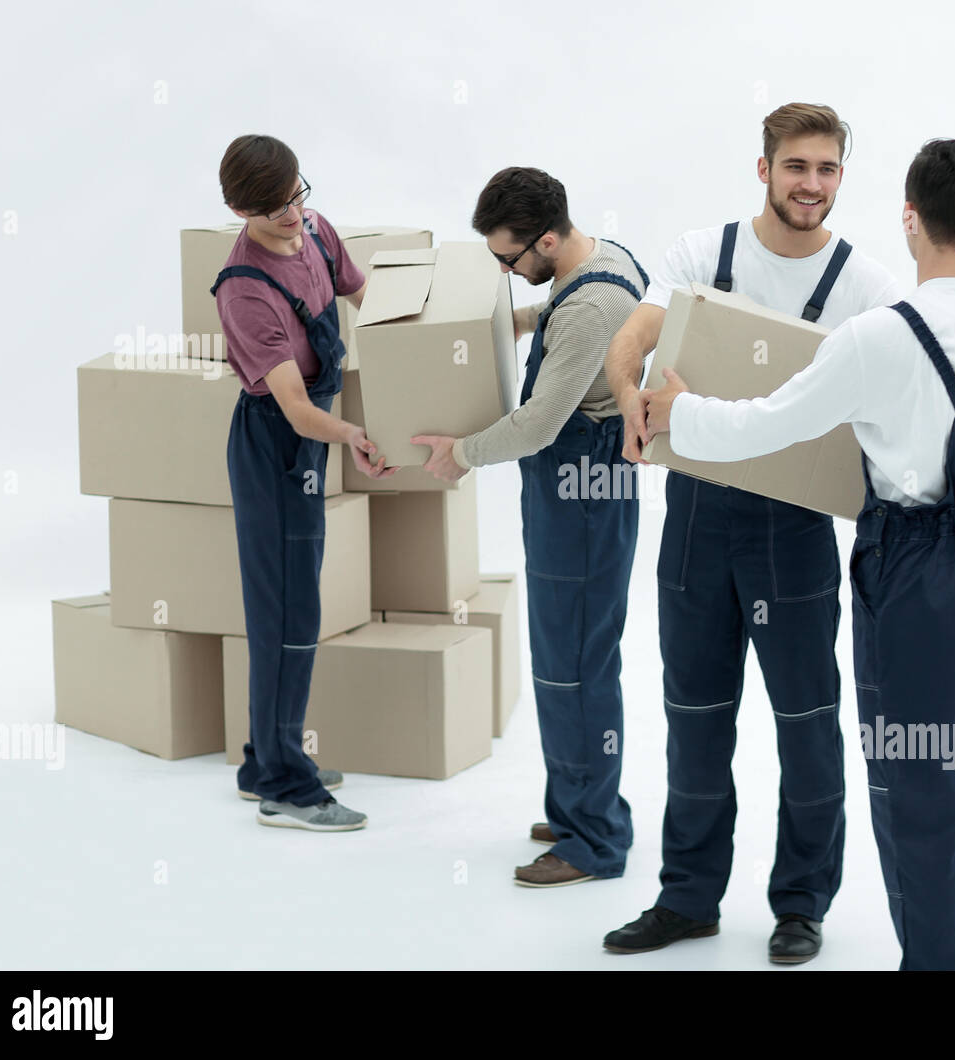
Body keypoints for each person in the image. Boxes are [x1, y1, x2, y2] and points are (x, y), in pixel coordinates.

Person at [643, 138, 955, 970]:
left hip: (915, 578)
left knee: (917, 794)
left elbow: (768, 424)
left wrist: (681, 414)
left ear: (909, 219)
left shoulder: (880, 336)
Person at [602, 103, 905, 963]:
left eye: (828, 169)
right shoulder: (708, 254)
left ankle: (801, 904)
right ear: (764, 168)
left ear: (842, 176)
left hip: (796, 525)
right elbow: (639, 329)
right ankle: (688, 899)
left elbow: (906, 384)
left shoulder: (867, 285)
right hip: (696, 516)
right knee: (695, 716)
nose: (812, 184)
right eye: (796, 166)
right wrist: (628, 393)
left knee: (806, 722)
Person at [414, 167, 649, 887]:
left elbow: (540, 424)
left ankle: (592, 842)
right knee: (575, 658)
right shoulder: (605, 256)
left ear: (547, 239)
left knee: (571, 665)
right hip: (584, 490)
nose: (508, 273)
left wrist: (461, 455)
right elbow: (563, 318)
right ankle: (587, 805)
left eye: (510, 261)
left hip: (579, 491)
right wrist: (513, 321)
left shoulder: (587, 307)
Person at [211, 134, 395, 832]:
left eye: (297, 195)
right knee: (288, 613)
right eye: (274, 208)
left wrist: (421, 350)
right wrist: (352, 437)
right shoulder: (245, 288)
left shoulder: (316, 231)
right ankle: (286, 786)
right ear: (238, 208)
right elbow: (293, 407)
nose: (293, 214)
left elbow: (365, 297)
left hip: (310, 439)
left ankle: (265, 758)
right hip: (274, 444)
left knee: (295, 600)